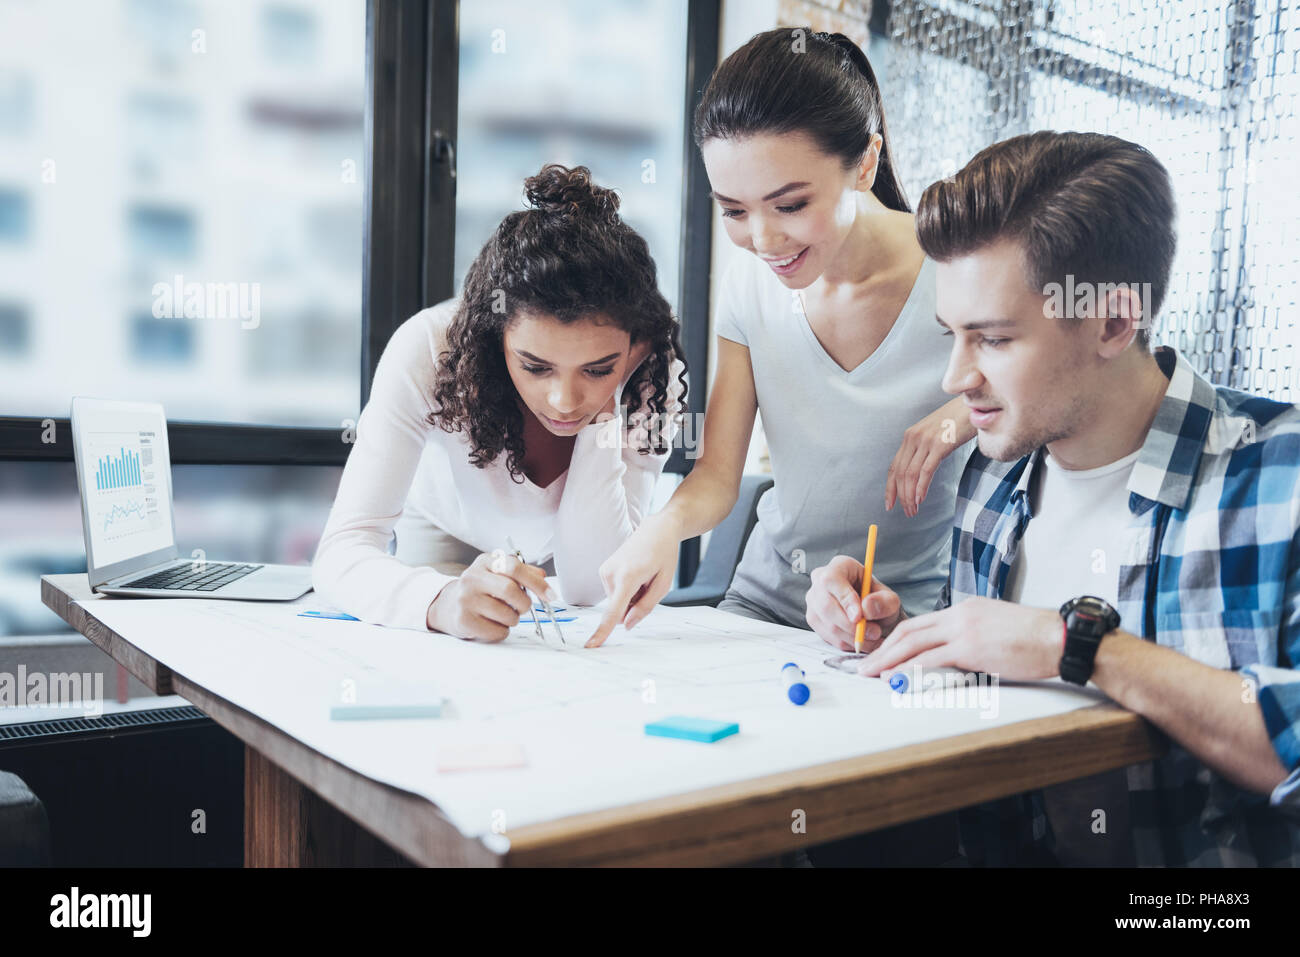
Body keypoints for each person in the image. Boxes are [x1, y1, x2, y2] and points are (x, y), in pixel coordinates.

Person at [806, 130, 1300, 866]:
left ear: (1113, 320)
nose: (953, 377)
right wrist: (911, 636)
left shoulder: (1276, 477)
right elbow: (1004, 683)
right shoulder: (991, 478)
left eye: (993, 340)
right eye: (952, 335)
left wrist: (1079, 648)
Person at [588, 28, 976, 649]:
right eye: (735, 211)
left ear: (866, 163)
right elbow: (718, 473)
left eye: (790, 205)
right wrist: (661, 532)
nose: (764, 241)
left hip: (908, 618)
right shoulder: (749, 288)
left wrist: (960, 417)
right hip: (764, 604)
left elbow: (1051, 378)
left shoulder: (961, 269)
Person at [312, 164, 688, 641]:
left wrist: (608, 411)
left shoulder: (651, 377)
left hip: (565, 552)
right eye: (535, 366)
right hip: (443, 524)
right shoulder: (428, 347)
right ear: (495, 337)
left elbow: (589, 583)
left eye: (597, 369)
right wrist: (439, 601)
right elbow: (343, 550)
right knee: (444, 648)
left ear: (634, 348)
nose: (565, 401)